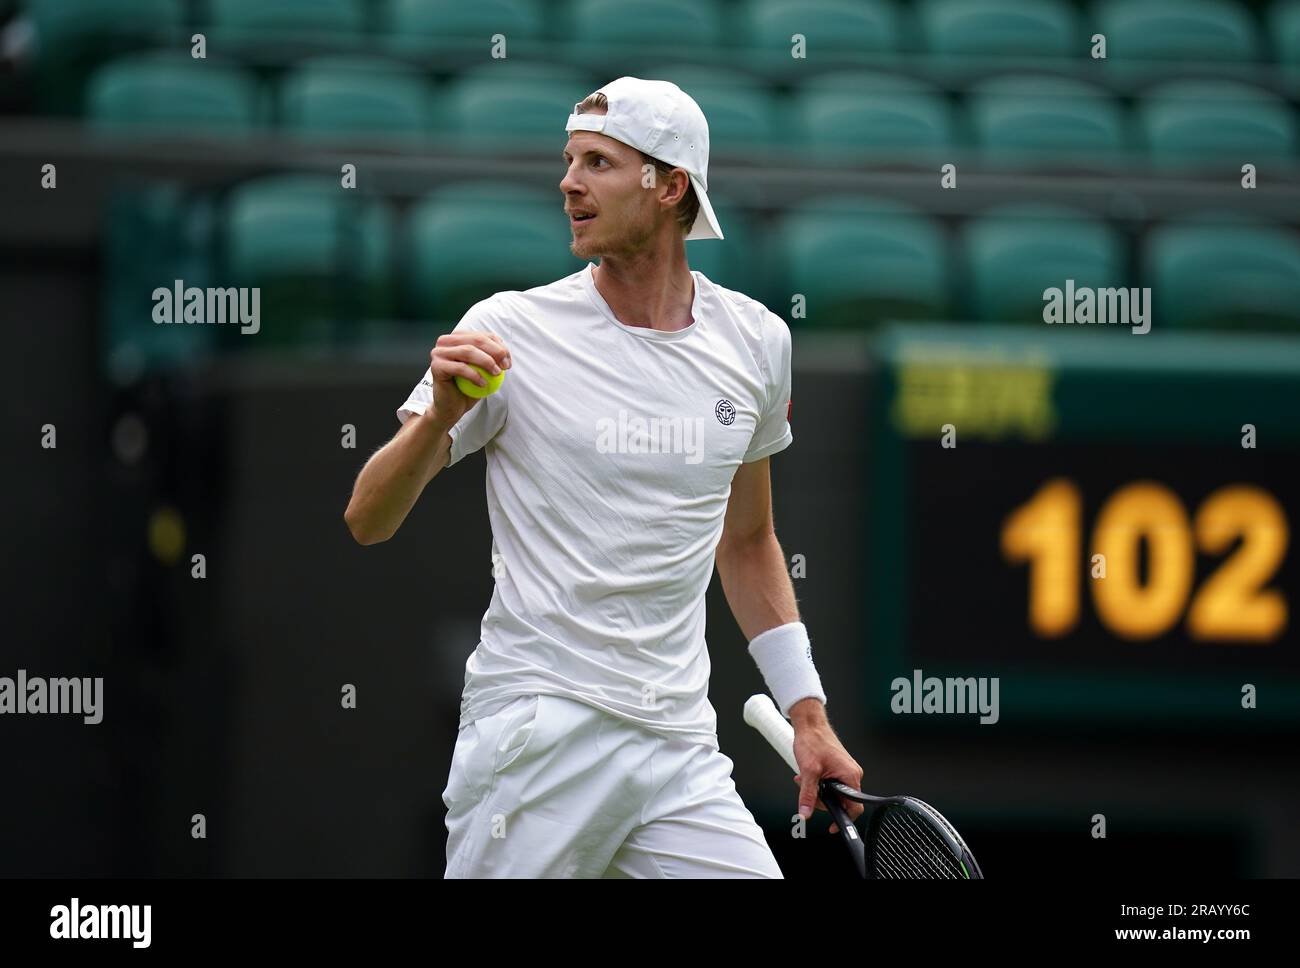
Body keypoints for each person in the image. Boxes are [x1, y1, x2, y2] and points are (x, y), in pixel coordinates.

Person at [344, 76, 863, 878]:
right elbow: (367, 518)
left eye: (599, 162)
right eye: (568, 160)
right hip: (537, 733)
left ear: (669, 186)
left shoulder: (757, 342)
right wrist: (442, 415)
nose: (568, 182)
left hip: (679, 749)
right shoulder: (507, 330)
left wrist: (807, 711)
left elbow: (749, 538)